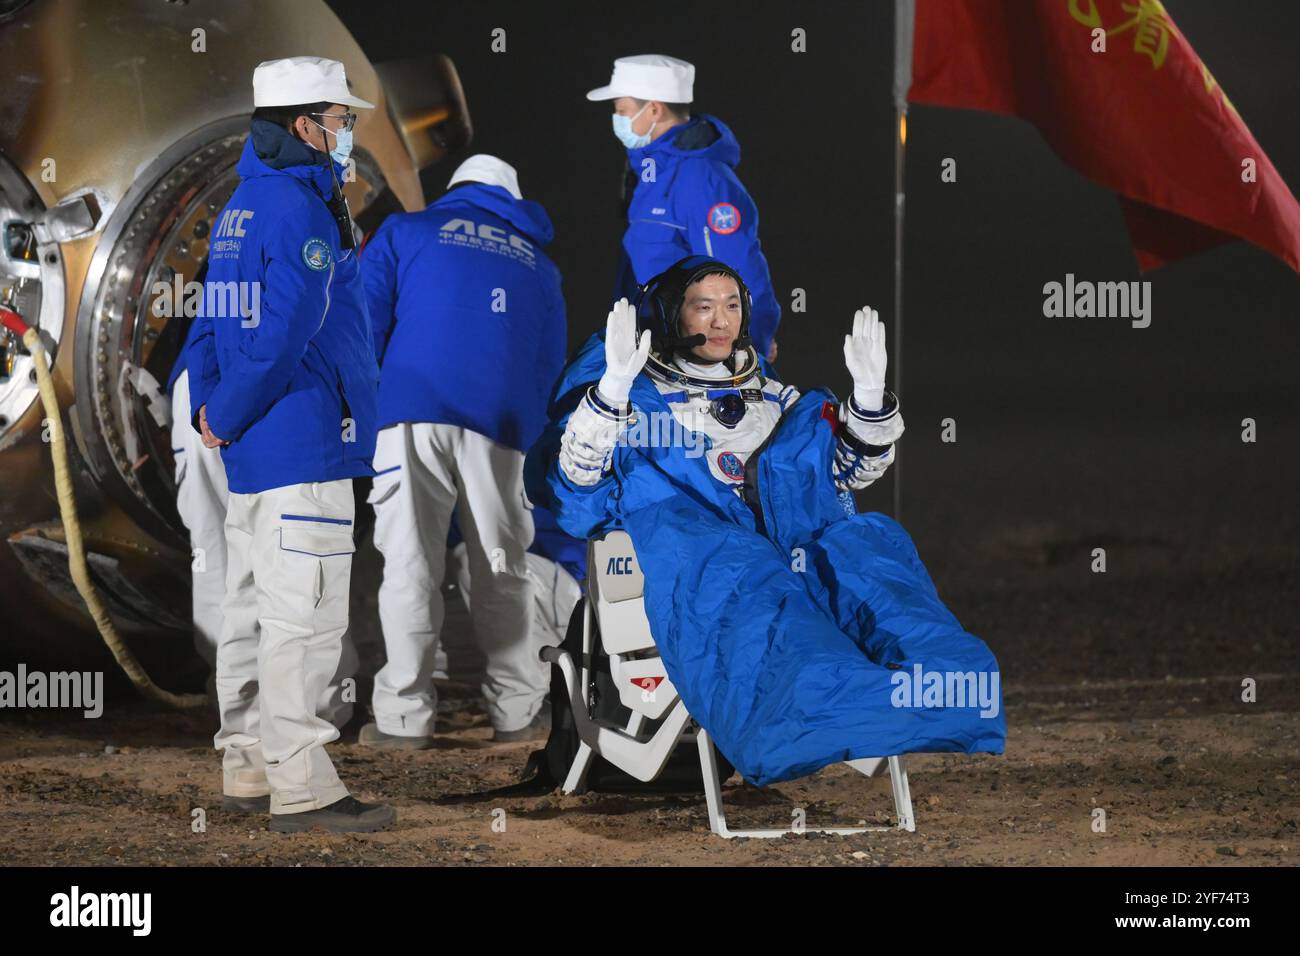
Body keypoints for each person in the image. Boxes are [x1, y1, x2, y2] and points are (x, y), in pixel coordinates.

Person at [524, 256, 1005, 786]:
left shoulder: (772, 397)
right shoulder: (636, 402)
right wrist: (611, 391)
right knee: (753, 580)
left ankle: (946, 688)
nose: (720, 320)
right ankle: (823, 703)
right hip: (710, 556)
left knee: (870, 547)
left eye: (732, 306)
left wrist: (868, 401)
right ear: (668, 315)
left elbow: (843, 473)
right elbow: (576, 494)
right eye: (702, 306)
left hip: (792, 545)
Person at [185, 56, 393, 832]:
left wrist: (213, 411)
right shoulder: (303, 209)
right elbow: (287, 331)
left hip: (251, 452)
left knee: (248, 612)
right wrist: (233, 409)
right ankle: (305, 789)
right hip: (302, 441)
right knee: (303, 623)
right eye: (341, 121)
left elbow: (210, 324)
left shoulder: (242, 204)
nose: (348, 134)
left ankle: (247, 766)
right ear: (305, 125)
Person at [358, 155, 566, 748]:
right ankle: (519, 715)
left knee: (407, 566)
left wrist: (363, 412)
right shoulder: (541, 267)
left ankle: (403, 720)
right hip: (501, 426)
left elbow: (365, 325)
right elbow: (548, 368)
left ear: (454, 192)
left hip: (408, 412)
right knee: (504, 570)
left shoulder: (407, 231)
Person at [168, 347, 357, 727]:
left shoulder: (214, 288)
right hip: (283, 382)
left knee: (222, 556)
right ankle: (318, 707)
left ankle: (241, 718)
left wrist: (209, 404)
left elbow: (208, 323)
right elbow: (290, 317)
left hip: (201, 388)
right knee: (303, 544)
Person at [587, 54, 782, 361]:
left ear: (653, 109)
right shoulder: (652, 176)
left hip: (692, 363)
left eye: (621, 110)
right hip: (656, 354)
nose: (617, 120)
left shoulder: (701, 178)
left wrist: (749, 349)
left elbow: (739, 268)